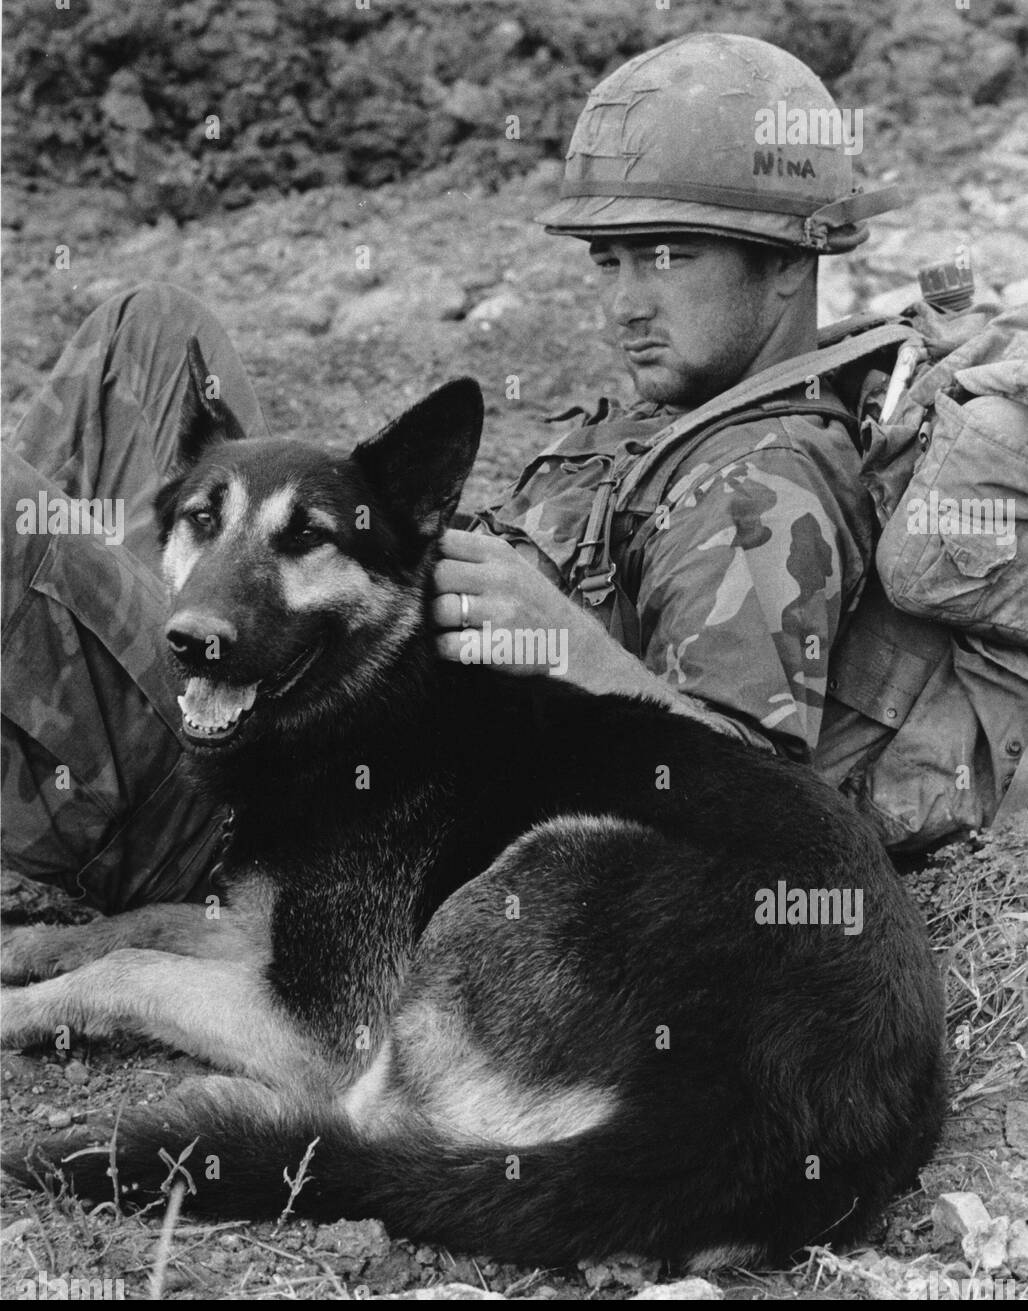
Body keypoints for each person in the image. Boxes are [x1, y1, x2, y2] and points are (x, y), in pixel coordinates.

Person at [1, 33, 1021, 915]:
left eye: (663, 257)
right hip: (304, 683)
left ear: (790, 260)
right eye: (608, 260)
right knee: (157, 326)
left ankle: (63, 719)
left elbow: (758, 810)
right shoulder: (680, 417)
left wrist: (573, 647)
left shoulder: (763, 485)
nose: (624, 301)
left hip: (262, 801)